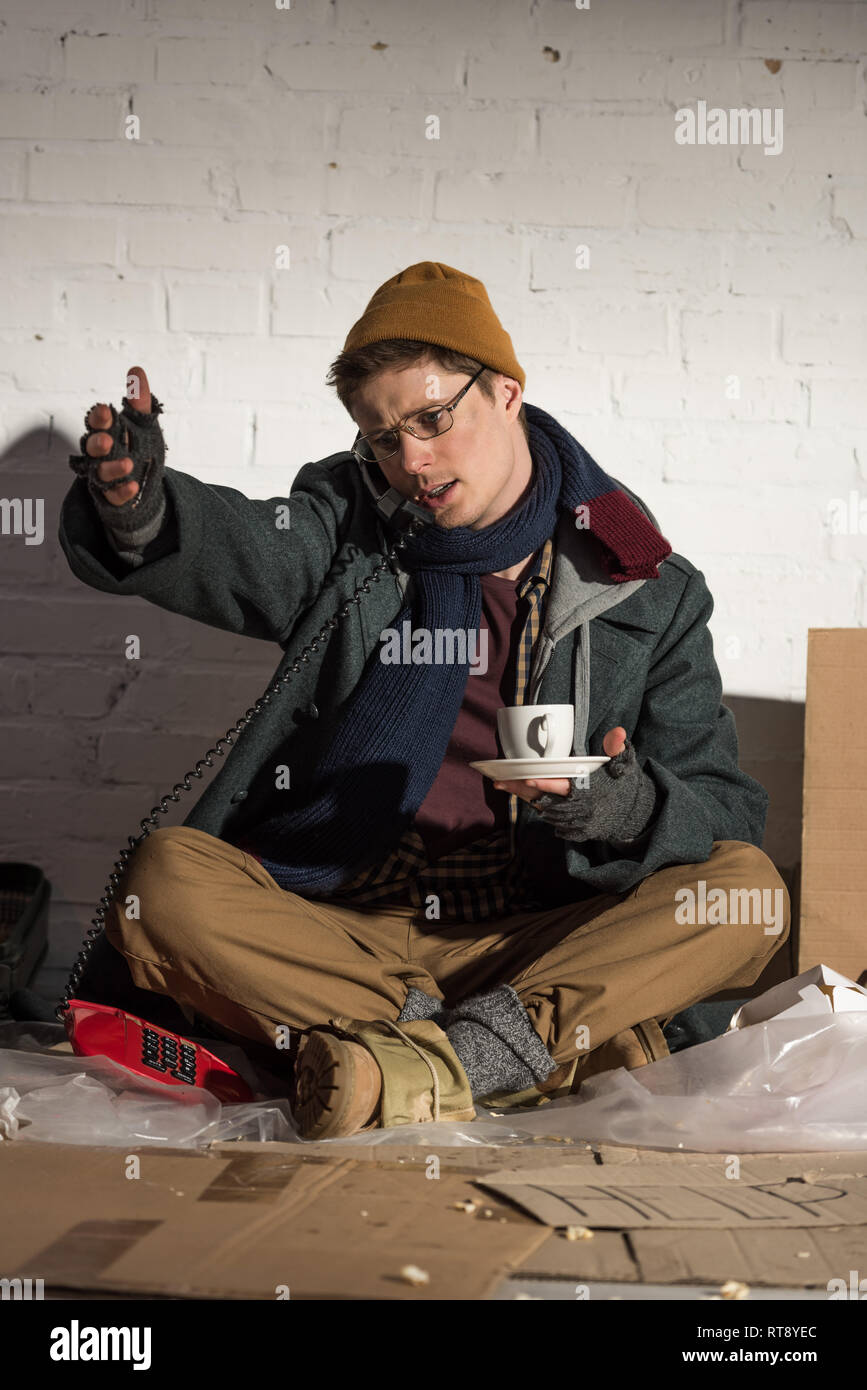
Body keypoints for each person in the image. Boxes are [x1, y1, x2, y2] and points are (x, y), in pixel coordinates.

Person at [56, 261, 790, 1138]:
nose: (411, 460)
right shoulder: (348, 530)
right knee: (168, 880)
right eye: (382, 437)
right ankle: (513, 1057)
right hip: (340, 931)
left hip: (537, 936)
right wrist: (143, 509)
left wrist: (617, 805)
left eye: (433, 419)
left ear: (507, 392)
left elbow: (728, 817)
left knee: (749, 893)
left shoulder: (646, 587)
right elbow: (239, 548)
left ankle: (410, 1059)